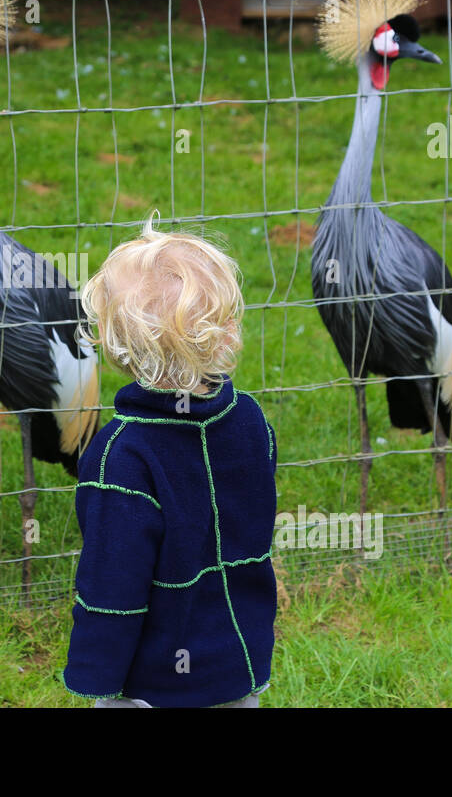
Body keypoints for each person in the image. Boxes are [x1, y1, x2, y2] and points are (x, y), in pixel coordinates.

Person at [62, 217, 277, 707]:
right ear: (225, 329)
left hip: (153, 684)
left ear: (115, 341)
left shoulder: (121, 457)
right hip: (239, 665)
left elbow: (112, 582)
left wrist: (95, 677)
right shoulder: (249, 420)